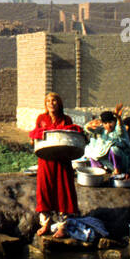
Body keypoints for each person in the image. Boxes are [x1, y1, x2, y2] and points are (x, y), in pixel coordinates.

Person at [28, 92, 81, 235]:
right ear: (45, 105)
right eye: (48, 101)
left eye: (54, 101)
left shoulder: (66, 119)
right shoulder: (42, 118)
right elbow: (36, 135)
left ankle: (62, 226)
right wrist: (34, 138)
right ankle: (46, 223)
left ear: (59, 103)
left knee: (63, 190)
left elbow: (70, 138)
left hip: (62, 160)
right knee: (45, 190)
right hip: (46, 159)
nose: (51, 103)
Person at [85, 108, 130, 177]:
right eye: (105, 123)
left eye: (110, 122)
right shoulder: (103, 130)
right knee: (90, 150)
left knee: (114, 149)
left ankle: (118, 170)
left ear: (115, 121)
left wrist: (119, 118)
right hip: (109, 163)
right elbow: (90, 130)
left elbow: (120, 129)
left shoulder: (119, 129)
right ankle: (100, 169)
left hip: (123, 162)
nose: (108, 125)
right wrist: (88, 126)